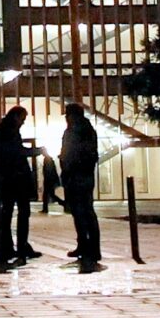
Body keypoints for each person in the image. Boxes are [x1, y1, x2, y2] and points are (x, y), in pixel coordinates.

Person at [0, 106, 35, 267]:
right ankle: (19, 247)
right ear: (15, 117)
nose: (23, 123)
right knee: (21, 213)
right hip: (15, 178)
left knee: (7, 213)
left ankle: (8, 247)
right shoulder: (8, 131)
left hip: (8, 178)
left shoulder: (3, 130)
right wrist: (36, 152)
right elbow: (17, 152)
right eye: (22, 119)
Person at [61, 103, 103, 271]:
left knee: (84, 211)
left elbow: (77, 153)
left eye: (67, 114)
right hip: (79, 174)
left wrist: (69, 164)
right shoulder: (83, 130)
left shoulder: (80, 131)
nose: (66, 117)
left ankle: (91, 248)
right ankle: (86, 246)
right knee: (81, 212)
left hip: (79, 175)